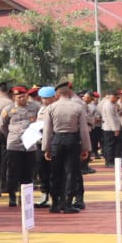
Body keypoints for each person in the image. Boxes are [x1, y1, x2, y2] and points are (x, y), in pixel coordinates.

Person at [42, 82, 90, 214]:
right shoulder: (78, 107)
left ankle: (55, 203)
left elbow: (47, 131)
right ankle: (68, 204)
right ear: (69, 93)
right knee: (71, 173)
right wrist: (86, 148)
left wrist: (46, 148)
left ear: (57, 94)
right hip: (72, 141)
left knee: (55, 173)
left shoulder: (50, 108)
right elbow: (84, 130)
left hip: (57, 141)